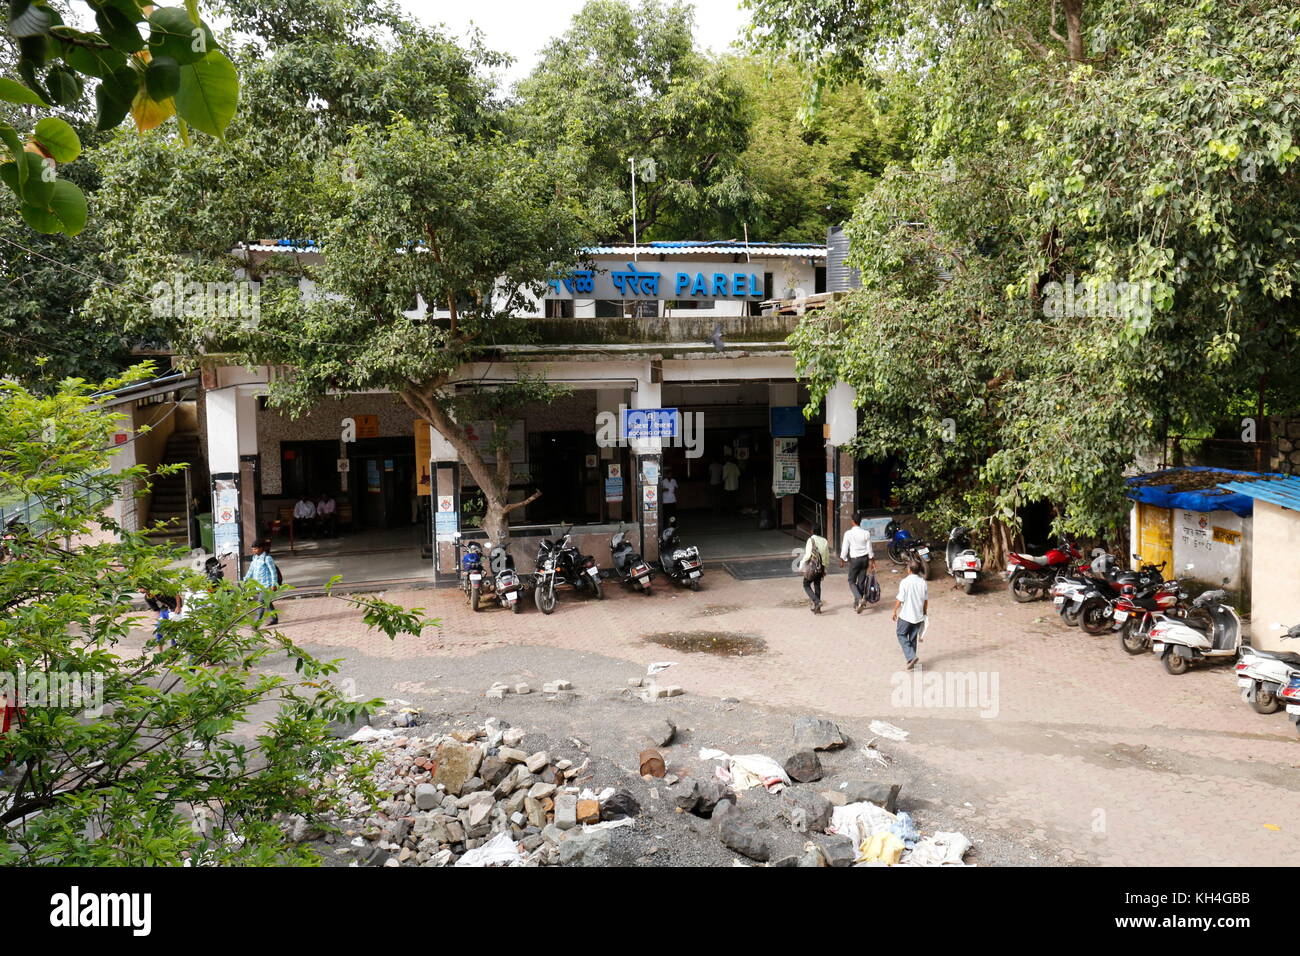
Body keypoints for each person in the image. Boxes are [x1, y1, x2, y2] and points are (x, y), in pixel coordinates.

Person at [892, 557, 928, 670]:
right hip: (918, 616)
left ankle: (911, 656)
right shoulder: (923, 583)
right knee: (912, 638)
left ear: (909, 570)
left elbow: (900, 599)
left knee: (901, 634)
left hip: (906, 616)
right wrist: (924, 612)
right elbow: (925, 600)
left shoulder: (905, 582)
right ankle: (912, 659)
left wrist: (894, 610)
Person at [839, 511, 876, 613]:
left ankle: (859, 599)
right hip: (865, 560)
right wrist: (872, 560)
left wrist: (842, 559)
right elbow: (869, 548)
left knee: (851, 581)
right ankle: (857, 604)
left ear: (852, 521)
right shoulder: (866, 533)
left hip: (855, 560)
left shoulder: (848, 533)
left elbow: (845, 549)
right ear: (860, 521)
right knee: (861, 582)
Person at [243, 538, 281, 624]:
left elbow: (273, 571)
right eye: (252, 549)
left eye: (255, 549)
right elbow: (250, 571)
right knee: (267, 603)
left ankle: (256, 623)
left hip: (266, 586)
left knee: (260, 603)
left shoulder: (267, 558)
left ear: (261, 548)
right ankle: (274, 619)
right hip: (258, 586)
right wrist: (245, 580)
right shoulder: (255, 558)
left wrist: (274, 584)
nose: (253, 551)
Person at [799, 524, 830, 613]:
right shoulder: (824, 541)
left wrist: (801, 566)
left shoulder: (811, 540)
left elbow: (808, 555)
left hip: (812, 567)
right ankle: (818, 609)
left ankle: (817, 601)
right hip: (821, 567)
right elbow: (827, 556)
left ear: (812, 531)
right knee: (817, 585)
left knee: (806, 584)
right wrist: (825, 568)